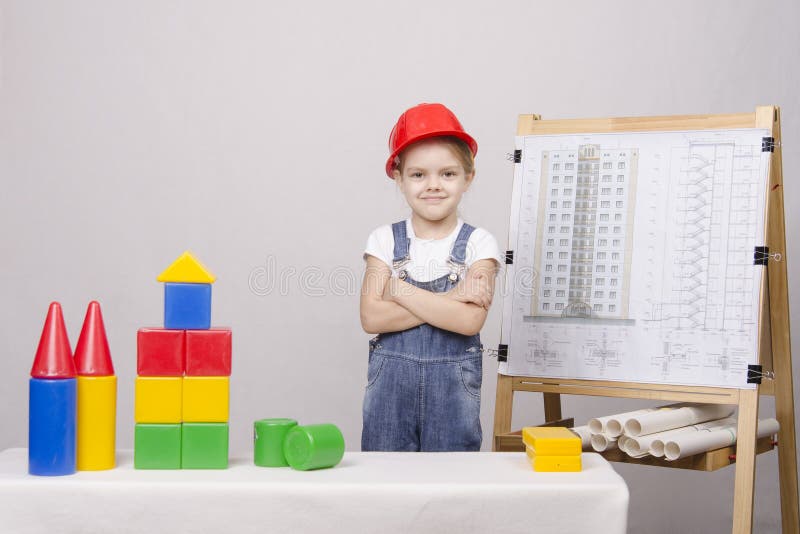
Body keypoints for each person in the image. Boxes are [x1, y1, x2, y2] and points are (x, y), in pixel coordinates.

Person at [360, 103, 502, 452]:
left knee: (451, 488)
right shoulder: (383, 240)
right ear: (399, 177)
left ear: (468, 177)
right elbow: (370, 317)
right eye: (418, 174)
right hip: (390, 402)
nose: (433, 185)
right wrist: (452, 298)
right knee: (386, 484)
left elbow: (469, 321)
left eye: (448, 174)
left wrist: (396, 288)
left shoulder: (480, 243)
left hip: (452, 403)